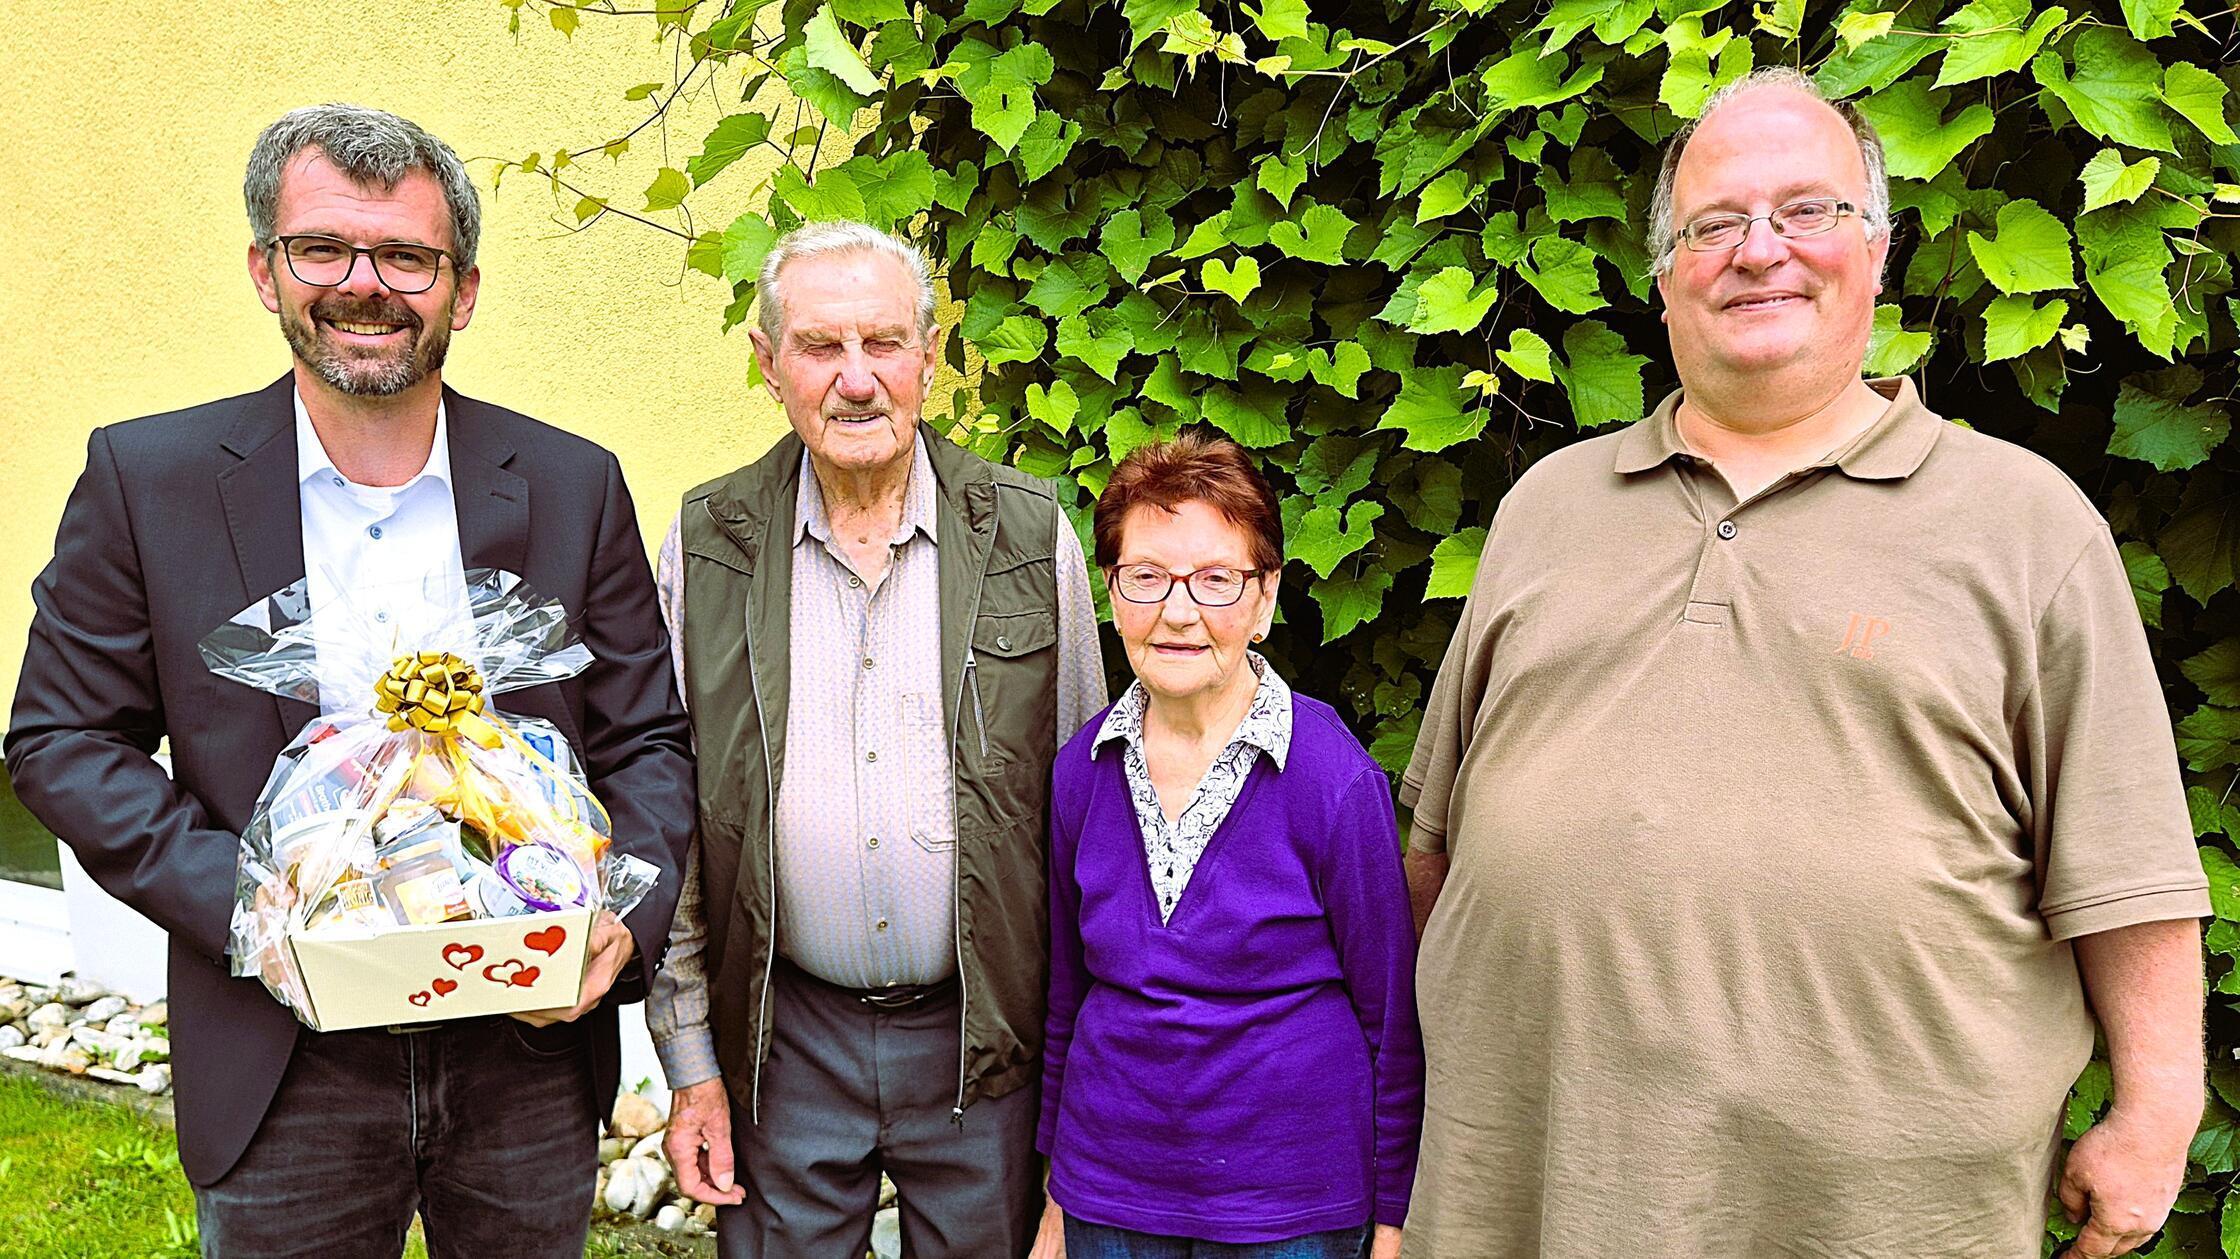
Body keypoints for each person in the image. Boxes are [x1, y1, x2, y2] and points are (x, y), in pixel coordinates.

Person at [1399, 68, 2208, 1259]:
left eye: (1805, 211)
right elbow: (1436, 845)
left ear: (1873, 251)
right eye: (1713, 223)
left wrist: (2156, 1109)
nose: (1756, 249)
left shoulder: (2024, 524)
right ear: (1663, 275)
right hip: (1536, 1186)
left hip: (1878, 1214)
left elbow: (2126, 869)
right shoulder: (1544, 509)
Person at [5, 104, 695, 1255]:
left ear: (462, 290)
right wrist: (249, 903)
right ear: (265, 269)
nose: (364, 284)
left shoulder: (572, 483)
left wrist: (622, 913)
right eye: (323, 248)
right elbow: (60, 739)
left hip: (522, 1042)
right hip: (283, 1054)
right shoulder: (149, 479)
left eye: (407, 257)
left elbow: (647, 743)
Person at [647, 220, 1107, 1259]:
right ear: (768, 363)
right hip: (784, 1040)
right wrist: (690, 1059)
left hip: (984, 1043)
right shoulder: (709, 544)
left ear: (929, 358)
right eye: (820, 345)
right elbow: (674, 817)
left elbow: (1090, 820)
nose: (856, 379)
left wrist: (1081, 1072)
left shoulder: (1029, 536)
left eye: (884, 342)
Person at [1031, 432, 1421, 1259]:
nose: (1178, 613)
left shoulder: (1331, 777)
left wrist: (1392, 1223)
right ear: (1112, 591)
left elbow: (1391, 1019)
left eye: (1215, 579)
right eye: (1146, 576)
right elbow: (1067, 997)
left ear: (1265, 595)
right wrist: (1059, 1197)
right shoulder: (1081, 772)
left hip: (1290, 1210)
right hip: (1110, 1198)